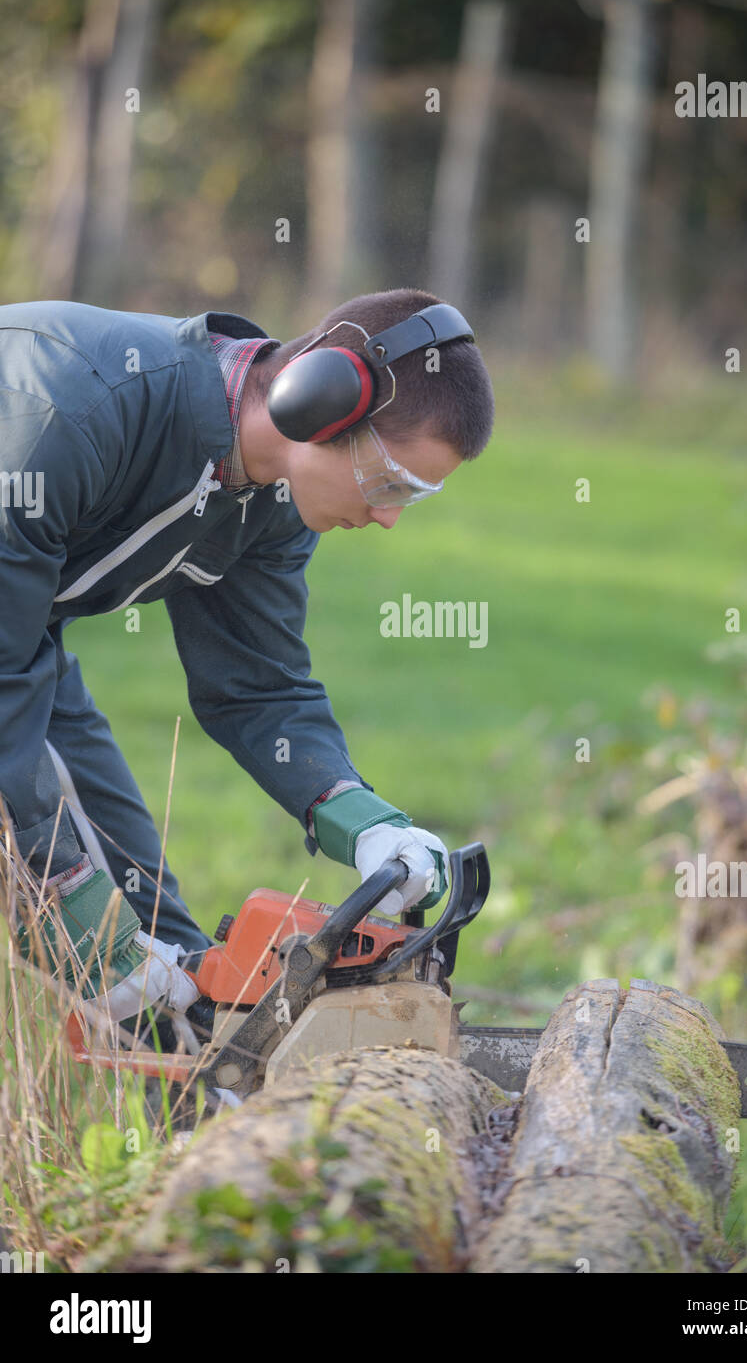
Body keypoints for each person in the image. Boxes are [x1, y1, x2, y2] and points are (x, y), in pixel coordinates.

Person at [0, 286, 495, 1043]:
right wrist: (68, 906)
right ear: (320, 402)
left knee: (147, 931)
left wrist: (361, 820)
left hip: (15, 648)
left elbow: (257, 688)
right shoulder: (73, 409)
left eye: (413, 497)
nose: (390, 516)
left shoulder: (272, 504)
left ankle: (216, 1133)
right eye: (390, 482)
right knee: (81, 915)